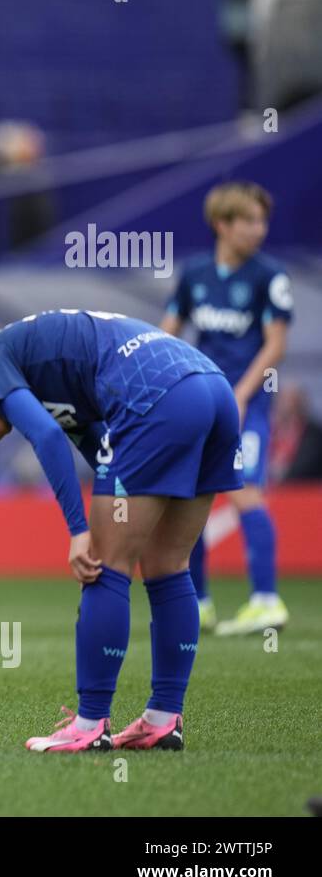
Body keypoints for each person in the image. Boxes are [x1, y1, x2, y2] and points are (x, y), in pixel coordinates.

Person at [0, 309, 243, 752]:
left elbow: (44, 436)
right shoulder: (46, 382)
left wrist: (80, 529)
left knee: (103, 564)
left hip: (156, 394)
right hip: (210, 389)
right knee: (167, 565)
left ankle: (90, 723)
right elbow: (100, 447)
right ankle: (162, 719)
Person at [160, 181, 291, 635]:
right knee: (191, 495)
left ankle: (266, 600)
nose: (260, 229)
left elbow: (275, 346)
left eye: (262, 220)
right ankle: (199, 603)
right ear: (222, 224)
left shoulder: (269, 277)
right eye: (250, 220)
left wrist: (241, 393)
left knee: (243, 490)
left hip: (247, 405)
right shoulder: (195, 275)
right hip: (201, 403)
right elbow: (168, 332)